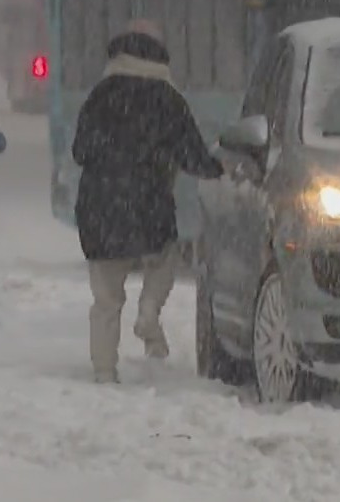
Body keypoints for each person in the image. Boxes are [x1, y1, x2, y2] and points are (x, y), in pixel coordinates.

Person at [71, 23, 225, 384]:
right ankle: (150, 311)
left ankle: (105, 370)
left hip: (100, 206)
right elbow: (193, 156)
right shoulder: (167, 98)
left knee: (106, 298)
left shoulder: (100, 96)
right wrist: (220, 168)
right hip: (149, 202)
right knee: (163, 259)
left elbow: (80, 152)